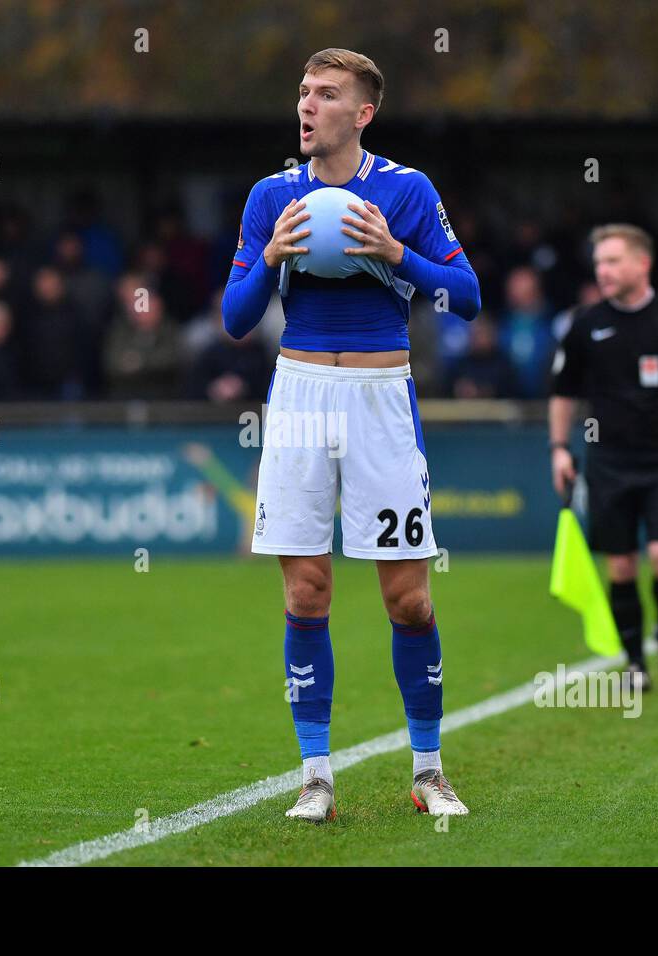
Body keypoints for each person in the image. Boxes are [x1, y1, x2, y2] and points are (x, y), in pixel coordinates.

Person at [222, 48, 481, 822]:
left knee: (408, 602)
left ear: (362, 113)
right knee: (306, 591)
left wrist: (397, 255)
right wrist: (269, 257)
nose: (307, 105)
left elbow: (466, 295)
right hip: (300, 394)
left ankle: (428, 770)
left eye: (326, 94)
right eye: (302, 91)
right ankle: (316, 777)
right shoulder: (273, 196)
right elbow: (236, 319)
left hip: (379, 397)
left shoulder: (405, 190)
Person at [548, 224, 658, 691]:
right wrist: (559, 448)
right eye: (599, 262)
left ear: (642, 264)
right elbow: (563, 393)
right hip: (607, 464)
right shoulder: (585, 325)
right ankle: (635, 661)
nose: (603, 270)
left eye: (613, 260)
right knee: (620, 566)